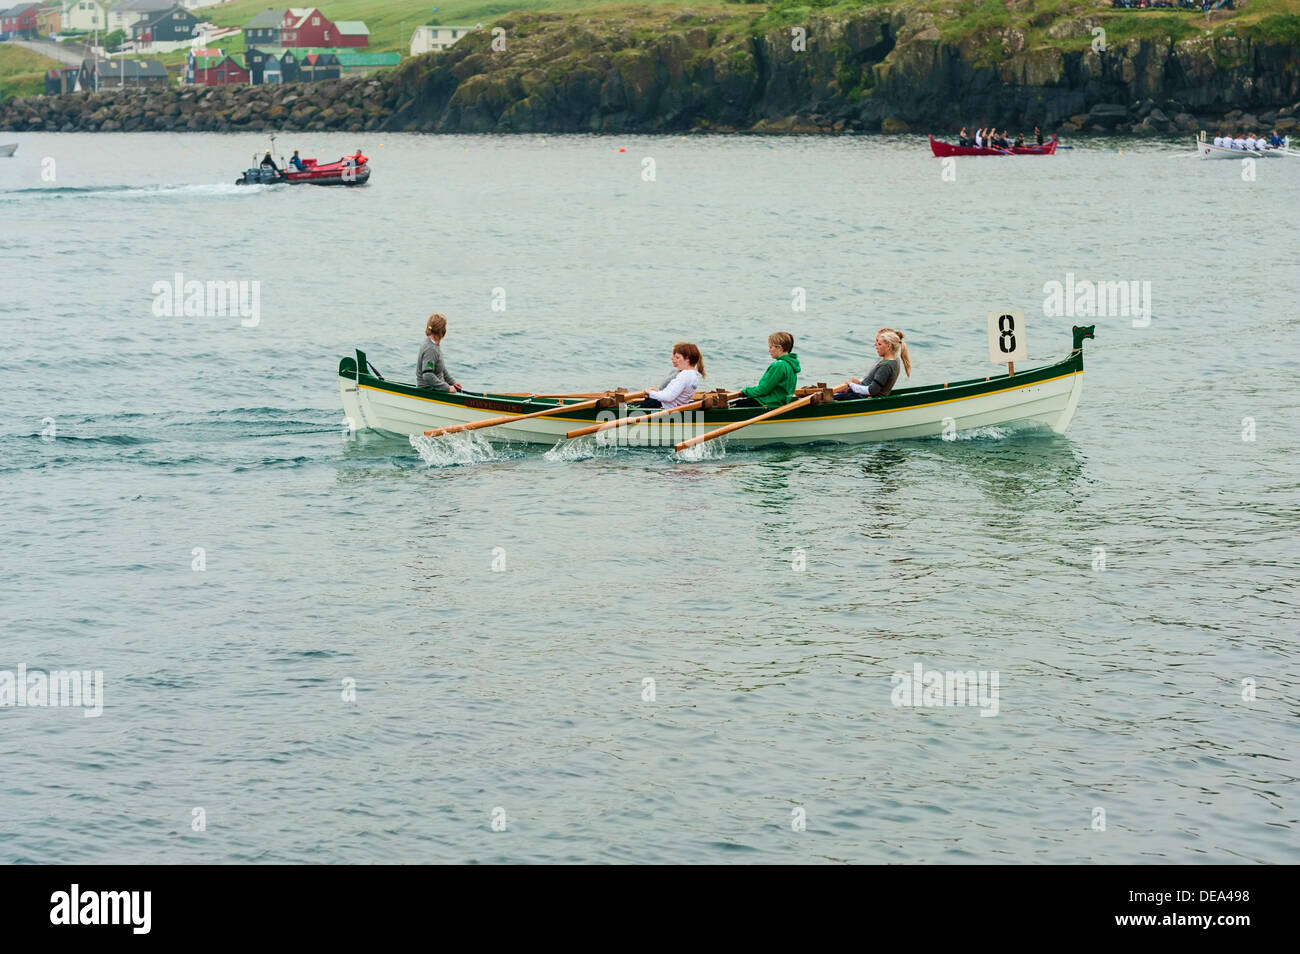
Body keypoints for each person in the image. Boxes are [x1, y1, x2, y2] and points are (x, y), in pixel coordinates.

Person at [835, 328, 912, 401]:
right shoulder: (894, 361)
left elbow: (872, 390)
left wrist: (851, 385)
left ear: (888, 346)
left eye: (879, 344)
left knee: (833, 398)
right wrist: (856, 383)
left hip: (864, 398)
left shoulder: (886, 366)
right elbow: (872, 380)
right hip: (862, 394)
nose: (876, 346)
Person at [737, 332, 800, 408]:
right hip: (781, 401)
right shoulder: (791, 364)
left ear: (779, 348)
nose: (769, 350)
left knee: (734, 404)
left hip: (769, 403)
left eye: (771, 347)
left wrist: (745, 391)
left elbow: (763, 389)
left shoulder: (779, 365)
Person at [641, 342, 705, 409]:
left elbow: (668, 397)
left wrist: (649, 392)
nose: (675, 360)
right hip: (671, 406)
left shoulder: (685, 375)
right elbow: (673, 394)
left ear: (687, 359)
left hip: (660, 405)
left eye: (677, 357)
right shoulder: (694, 375)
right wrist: (658, 392)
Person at [416, 313, 463, 392]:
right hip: (429, 390)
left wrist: (452, 383)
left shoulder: (434, 344)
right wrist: (447, 388)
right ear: (442, 331)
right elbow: (427, 374)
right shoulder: (430, 349)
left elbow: (441, 369)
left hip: (437, 388)